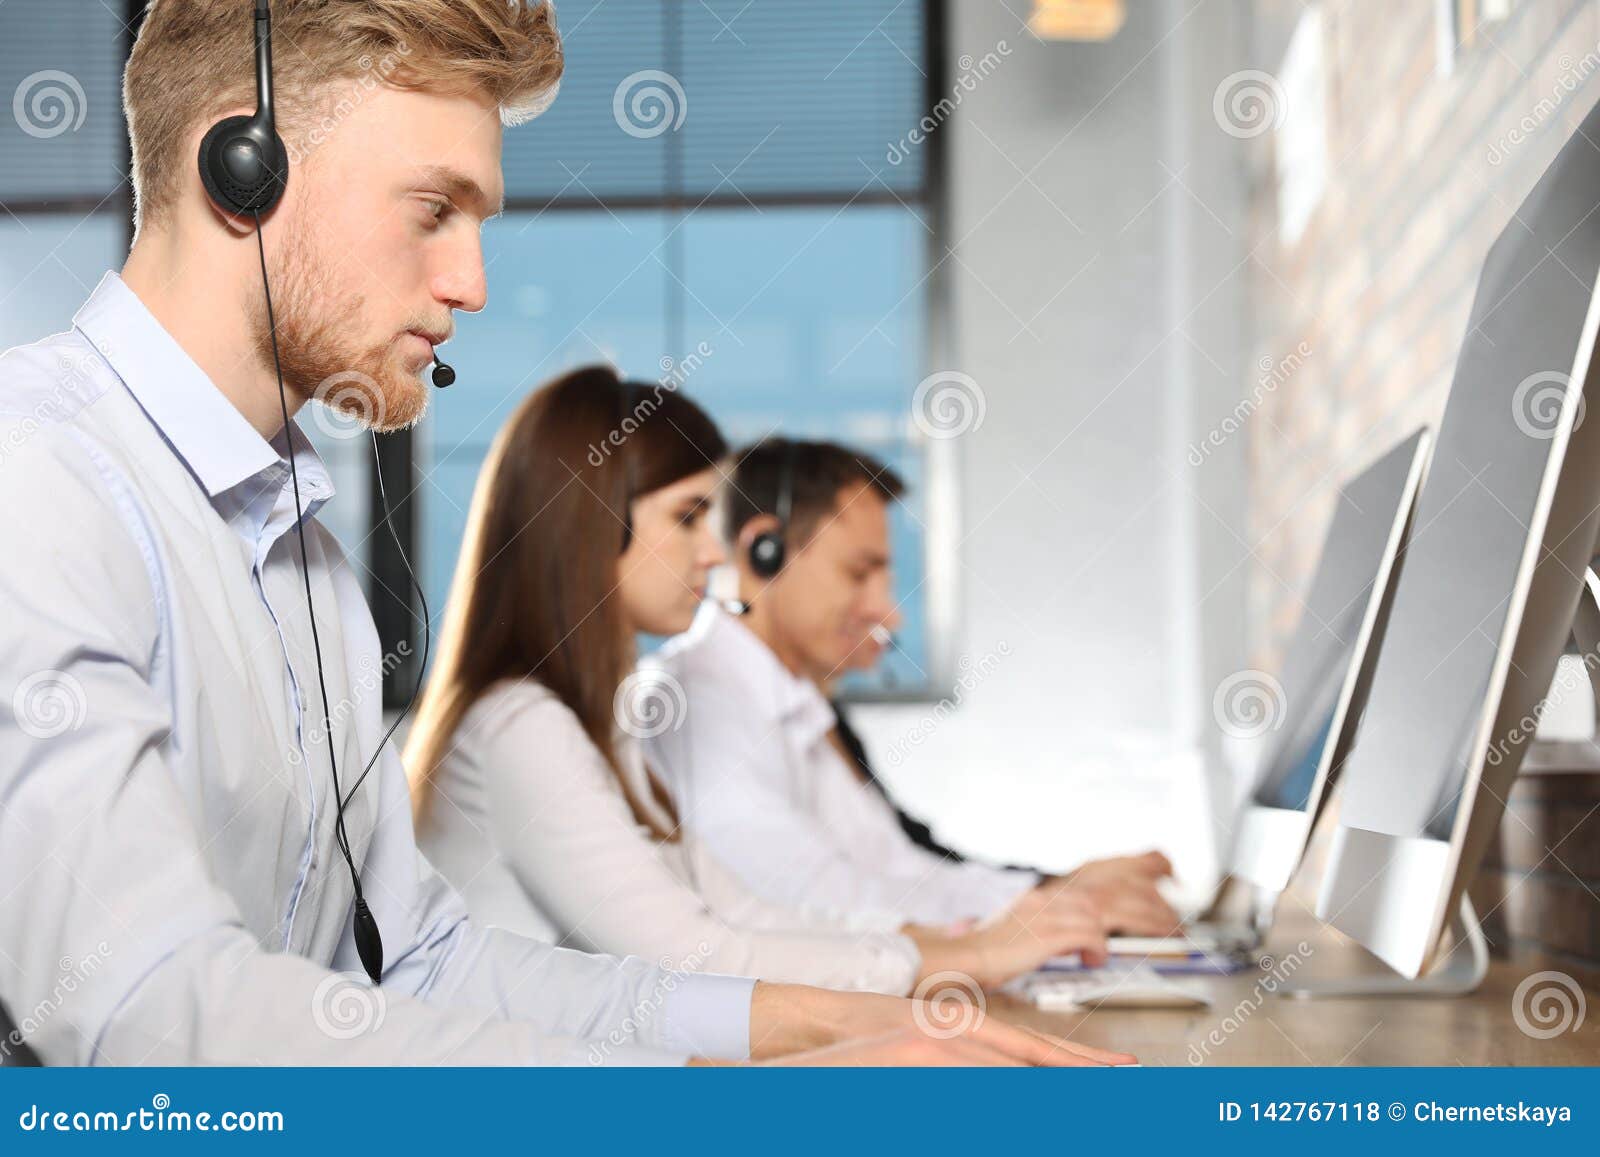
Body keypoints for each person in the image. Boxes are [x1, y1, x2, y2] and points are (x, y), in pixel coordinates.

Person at [0, 0, 1132, 1069]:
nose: (472, 283)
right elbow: (151, 1009)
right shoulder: (38, 475)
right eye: (433, 209)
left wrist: (846, 1024)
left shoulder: (301, 557)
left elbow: (430, 957)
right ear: (241, 166)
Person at [406, 366, 1111, 1000]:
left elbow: (740, 911)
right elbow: (688, 955)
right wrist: (949, 958)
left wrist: (947, 949)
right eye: (687, 518)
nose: (715, 552)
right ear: (594, 522)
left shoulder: (599, 729)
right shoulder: (522, 727)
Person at [646, 437, 1182, 935]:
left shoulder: (798, 704)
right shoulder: (699, 700)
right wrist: (1042, 907)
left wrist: (1052, 893)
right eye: (859, 574)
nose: (889, 614)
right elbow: (802, 895)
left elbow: (901, 869)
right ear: (765, 550)